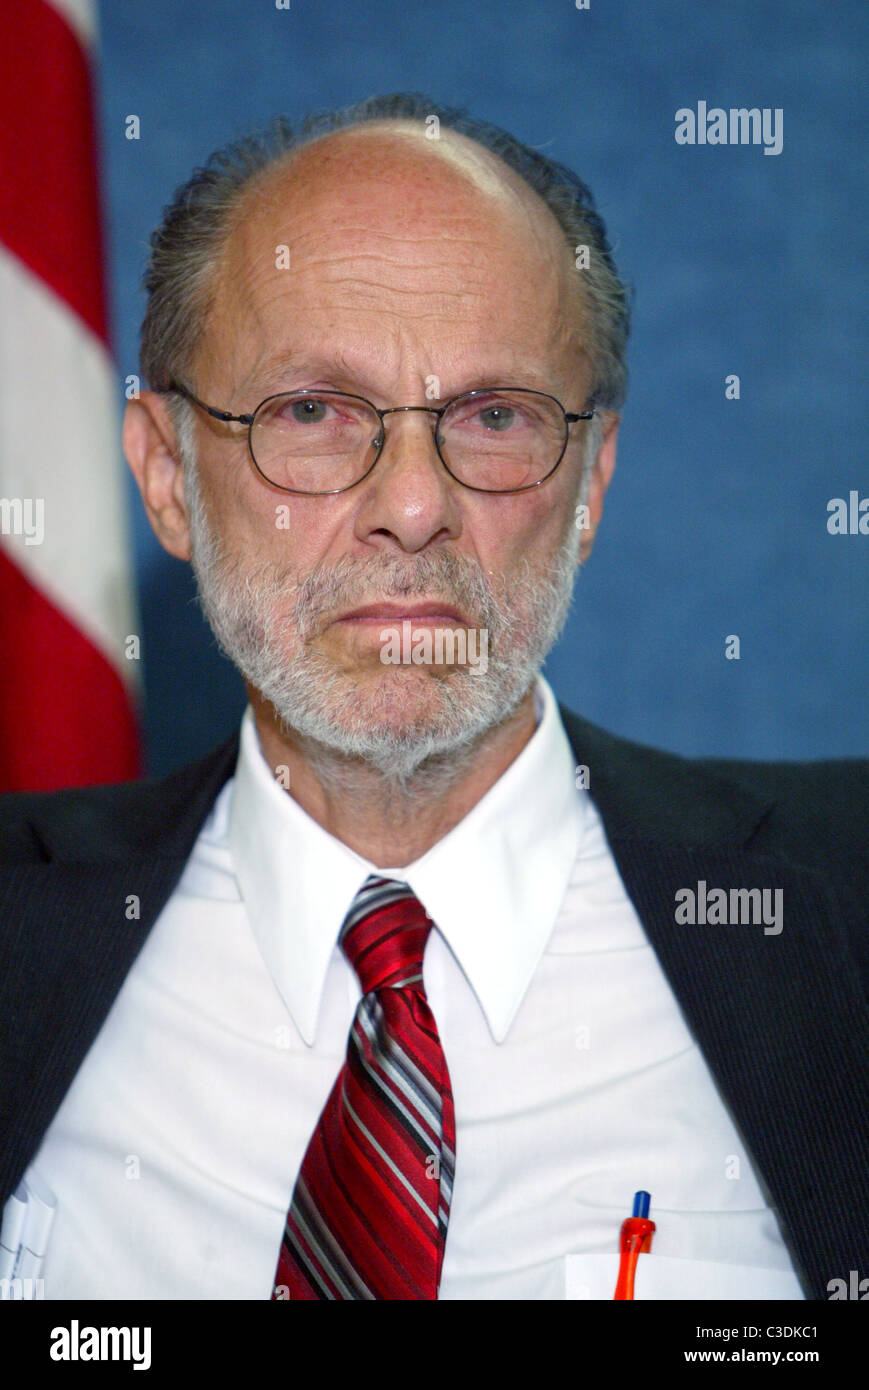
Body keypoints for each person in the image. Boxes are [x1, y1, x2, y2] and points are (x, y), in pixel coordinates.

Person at [0, 94, 866, 1302]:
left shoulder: (838, 900)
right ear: (167, 477)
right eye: (312, 411)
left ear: (589, 484)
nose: (412, 504)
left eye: (493, 416)